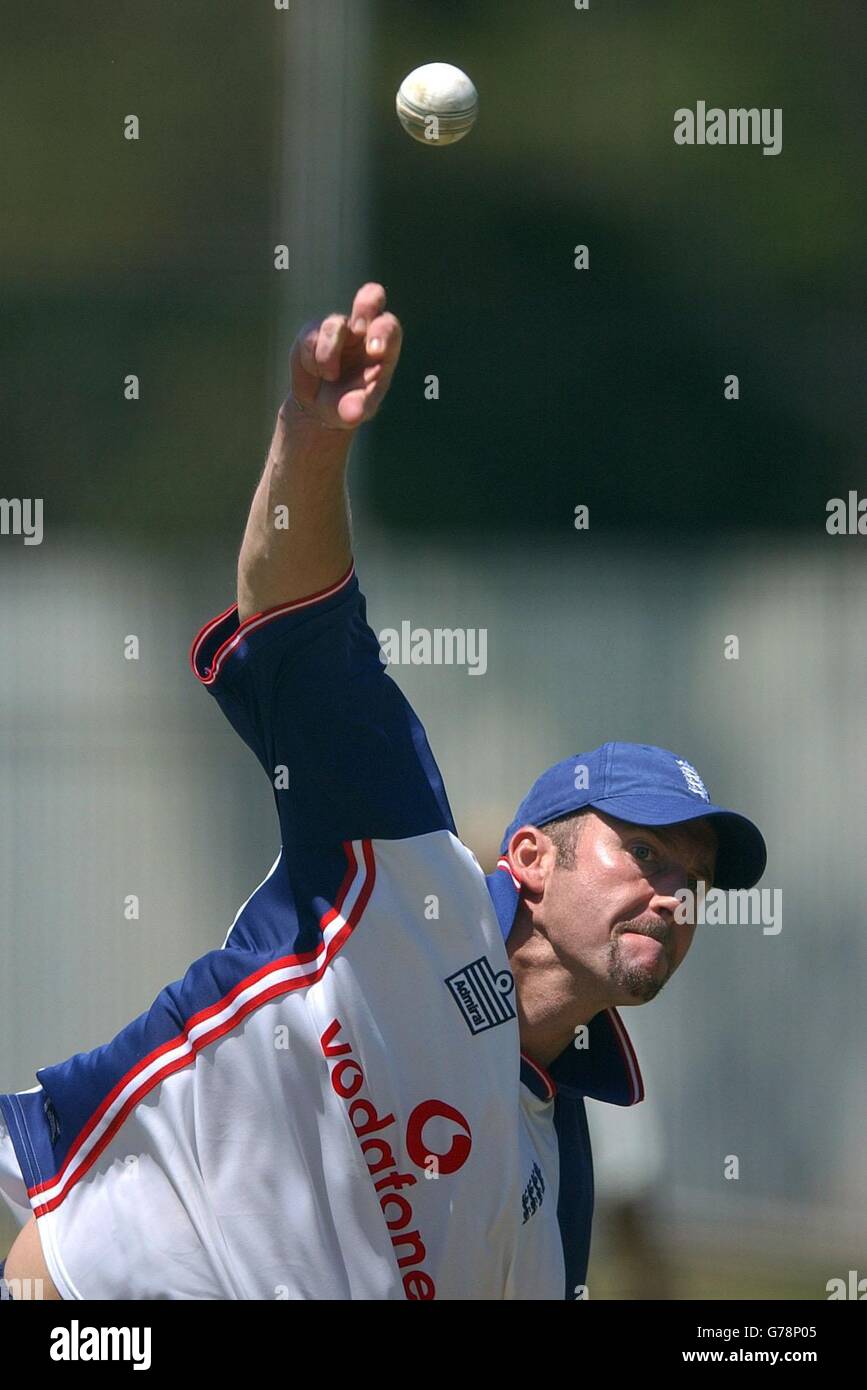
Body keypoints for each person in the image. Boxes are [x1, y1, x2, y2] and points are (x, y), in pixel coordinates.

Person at [0, 284, 766, 1301]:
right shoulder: (410, 879)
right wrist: (312, 439)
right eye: (649, 853)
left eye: (697, 883)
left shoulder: (563, 1166)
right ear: (530, 857)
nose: (676, 898)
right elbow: (299, 622)